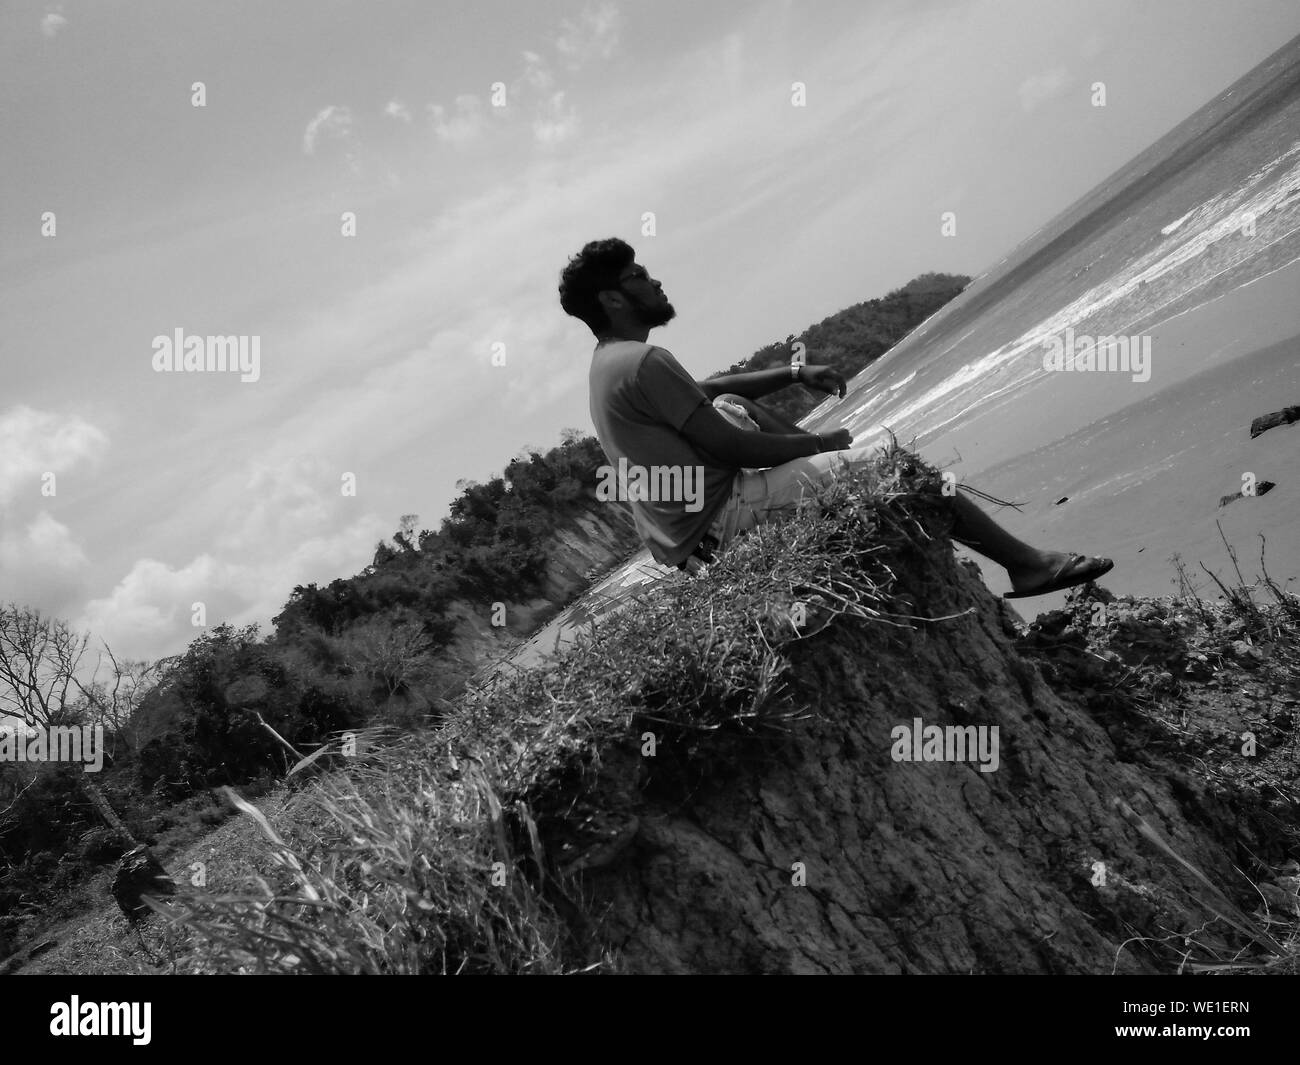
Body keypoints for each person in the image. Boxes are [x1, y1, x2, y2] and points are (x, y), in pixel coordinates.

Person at [559, 237, 1113, 598]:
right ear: (612, 299)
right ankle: (1026, 564)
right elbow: (733, 450)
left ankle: (832, 473)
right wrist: (820, 444)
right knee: (894, 464)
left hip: (688, 547)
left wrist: (796, 373)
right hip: (721, 523)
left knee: (732, 406)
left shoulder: (610, 364)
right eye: (638, 276)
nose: (655, 282)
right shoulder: (645, 360)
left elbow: (711, 391)